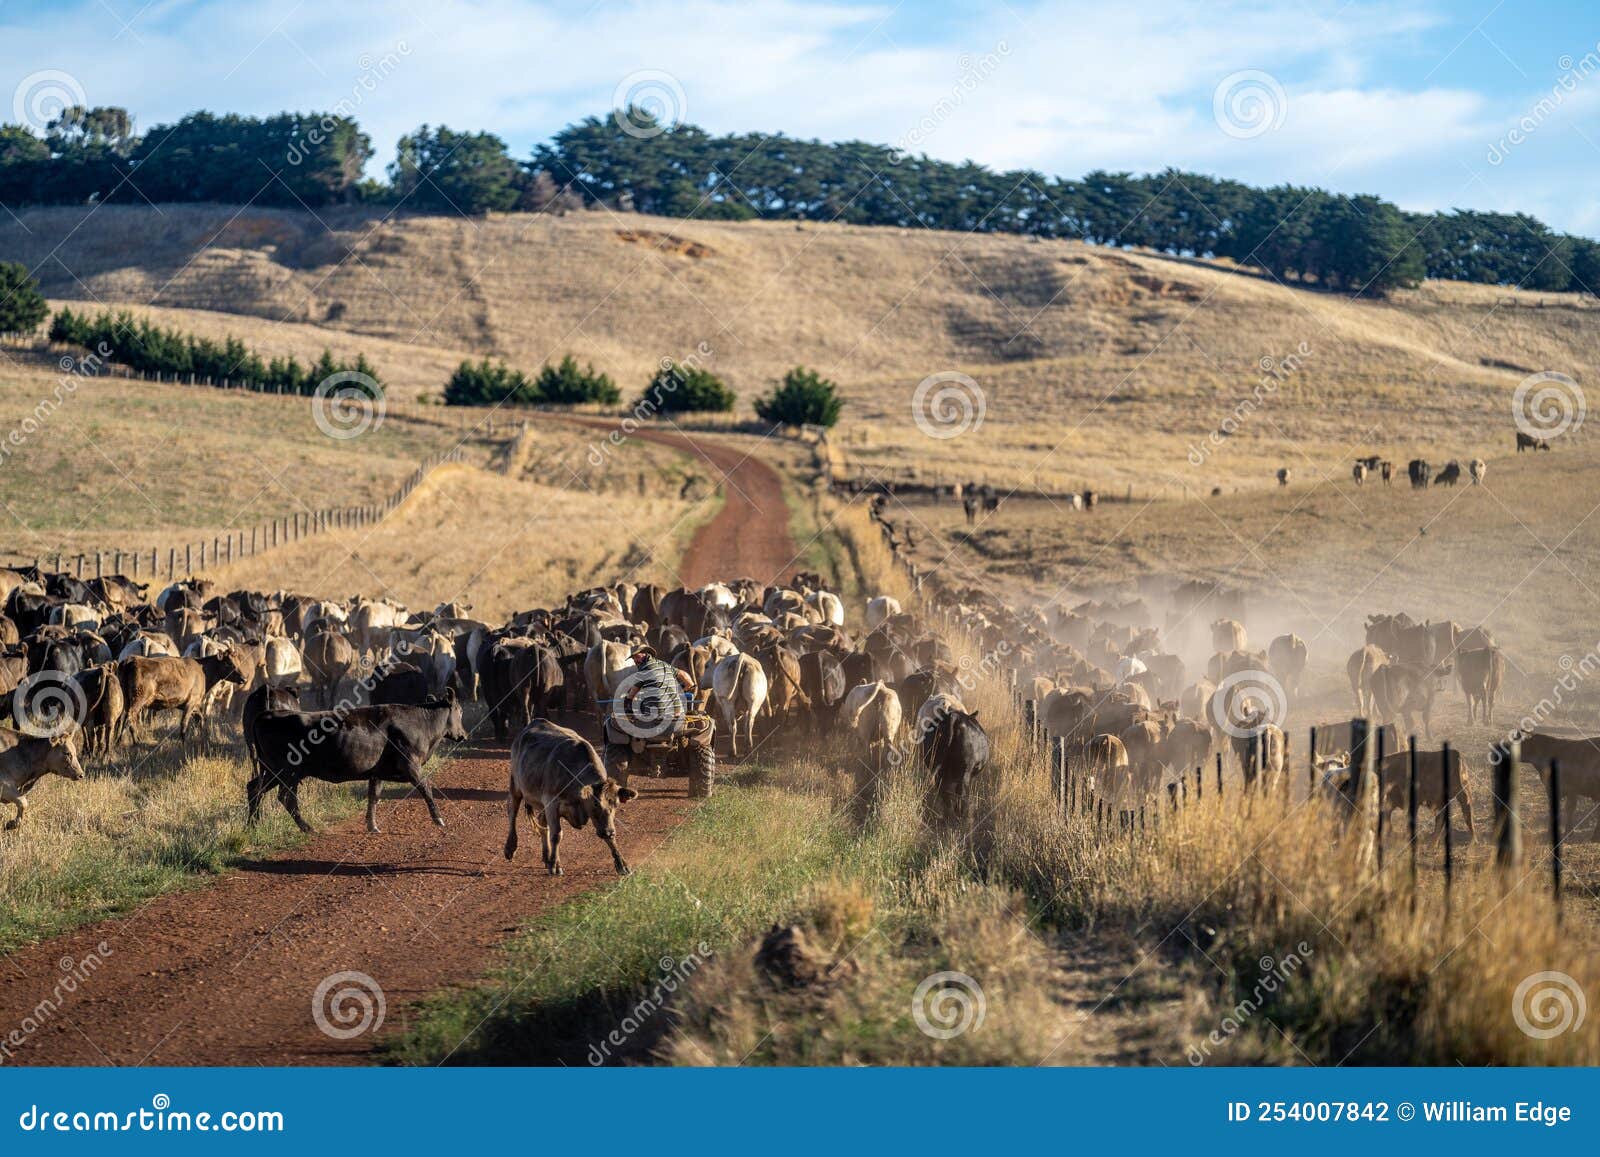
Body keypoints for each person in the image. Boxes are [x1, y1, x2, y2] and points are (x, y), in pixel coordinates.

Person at [617, 644, 695, 737]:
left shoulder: (643, 670)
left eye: (637, 657)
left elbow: (632, 694)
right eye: (633, 658)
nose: (635, 660)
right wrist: (685, 689)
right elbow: (686, 677)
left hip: (653, 717)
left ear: (645, 654)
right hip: (677, 714)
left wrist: (627, 704)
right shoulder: (665, 665)